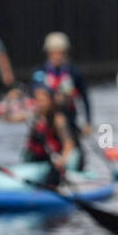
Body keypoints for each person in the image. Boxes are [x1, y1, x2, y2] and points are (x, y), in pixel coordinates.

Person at [31, 32, 91, 164]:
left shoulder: (74, 72)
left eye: (60, 52)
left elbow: (85, 97)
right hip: (47, 120)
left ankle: (73, 164)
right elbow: (35, 92)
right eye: (54, 52)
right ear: (48, 53)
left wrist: (88, 122)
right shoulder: (40, 72)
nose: (57, 56)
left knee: (74, 149)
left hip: (68, 119)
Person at [5, 85, 74, 188]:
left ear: (51, 101)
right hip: (34, 160)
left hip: (52, 162)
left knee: (52, 178)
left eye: (43, 100)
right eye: (37, 100)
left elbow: (69, 144)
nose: (40, 104)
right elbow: (8, 119)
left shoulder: (58, 120)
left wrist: (62, 160)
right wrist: (9, 99)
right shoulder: (34, 114)